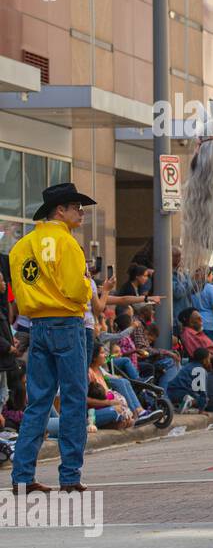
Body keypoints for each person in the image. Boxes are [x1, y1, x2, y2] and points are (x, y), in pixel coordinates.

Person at [8, 182, 96, 493]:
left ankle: (22, 477)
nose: (81, 212)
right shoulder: (68, 243)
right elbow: (76, 288)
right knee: (73, 400)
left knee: (38, 403)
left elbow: (20, 289)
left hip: (36, 325)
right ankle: (70, 477)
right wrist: (87, 285)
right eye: (76, 207)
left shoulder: (21, 247)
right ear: (60, 210)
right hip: (67, 323)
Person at [194, 268, 213, 343]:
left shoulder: (193, 289)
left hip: (196, 323)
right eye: (211, 275)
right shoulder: (211, 288)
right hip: (209, 325)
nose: (212, 277)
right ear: (207, 276)